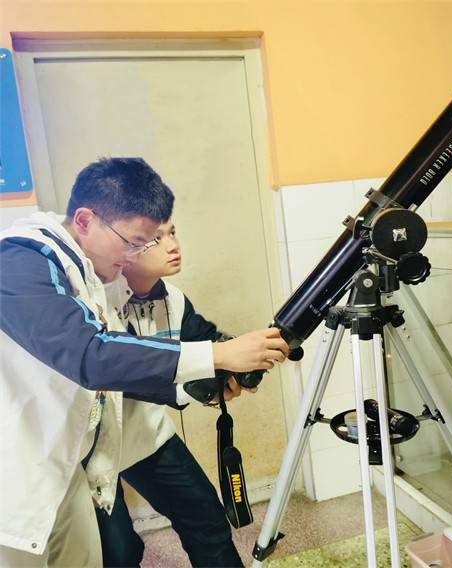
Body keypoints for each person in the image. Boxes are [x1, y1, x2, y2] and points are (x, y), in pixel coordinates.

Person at [0, 157, 288, 567]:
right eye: (135, 242)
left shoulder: (91, 274)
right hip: (22, 472)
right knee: (118, 550)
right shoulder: (21, 259)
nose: (137, 254)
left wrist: (214, 377)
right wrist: (218, 354)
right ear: (85, 220)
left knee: (186, 522)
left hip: (69, 460)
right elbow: (93, 356)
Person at [97, 218, 246, 566]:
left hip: (145, 435)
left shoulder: (174, 299)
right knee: (118, 550)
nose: (173, 245)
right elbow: (133, 378)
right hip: (90, 445)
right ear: (124, 249)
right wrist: (196, 388)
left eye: (173, 233)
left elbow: (208, 343)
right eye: (156, 238)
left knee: (207, 519)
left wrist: (236, 368)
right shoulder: (97, 302)